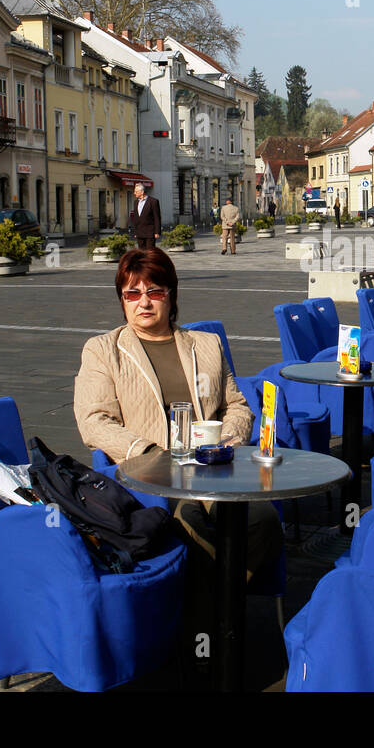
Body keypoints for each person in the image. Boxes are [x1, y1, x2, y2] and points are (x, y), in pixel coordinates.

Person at [73, 248, 281, 654]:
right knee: (187, 523)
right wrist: (150, 451)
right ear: (121, 299)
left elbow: (237, 405)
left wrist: (228, 439)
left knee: (262, 519)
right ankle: (213, 627)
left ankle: (200, 617)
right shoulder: (104, 350)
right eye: (132, 294)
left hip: (213, 466)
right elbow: (93, 422)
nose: (144, 302)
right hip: (151, 475)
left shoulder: (205, 344)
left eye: (154, 291)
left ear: (171, 294)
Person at [130, 182, 161, 251]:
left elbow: (157, 217)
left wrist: (157, 232)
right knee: (141, 252)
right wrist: (135, 232)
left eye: (136, 191)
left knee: (150, 252)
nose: (134, 193)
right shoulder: (136, 202)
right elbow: (135, 218)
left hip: (150, 232)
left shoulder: (153, 201)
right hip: (139, 232)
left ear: (142, 192)